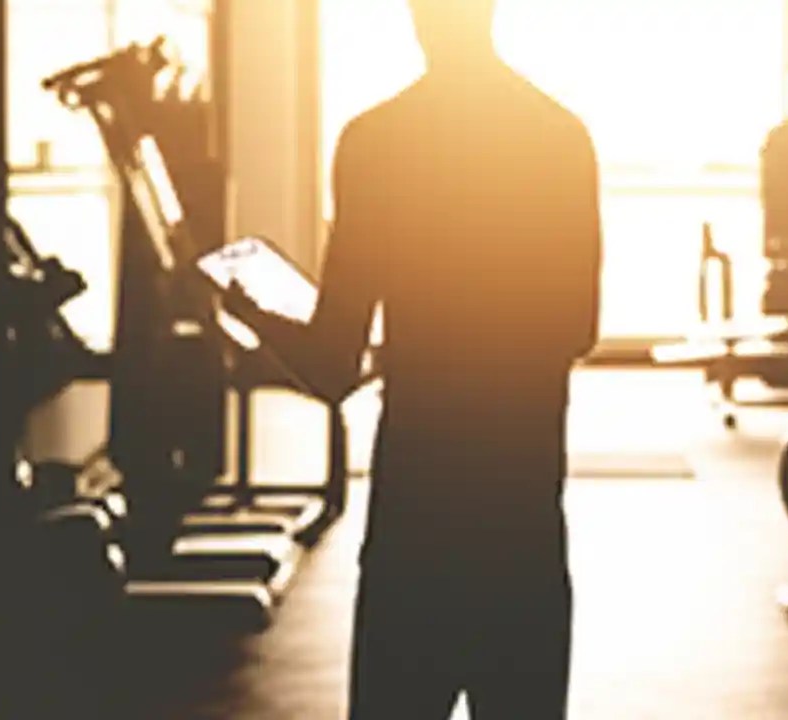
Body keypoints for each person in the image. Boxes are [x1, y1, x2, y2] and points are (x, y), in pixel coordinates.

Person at [228, 0, 602, 716]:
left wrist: (253, 310)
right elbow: (579, 327)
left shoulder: (377, 142)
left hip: (419, 510)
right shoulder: (560, 137)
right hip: (521, 505)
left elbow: (334, 364)